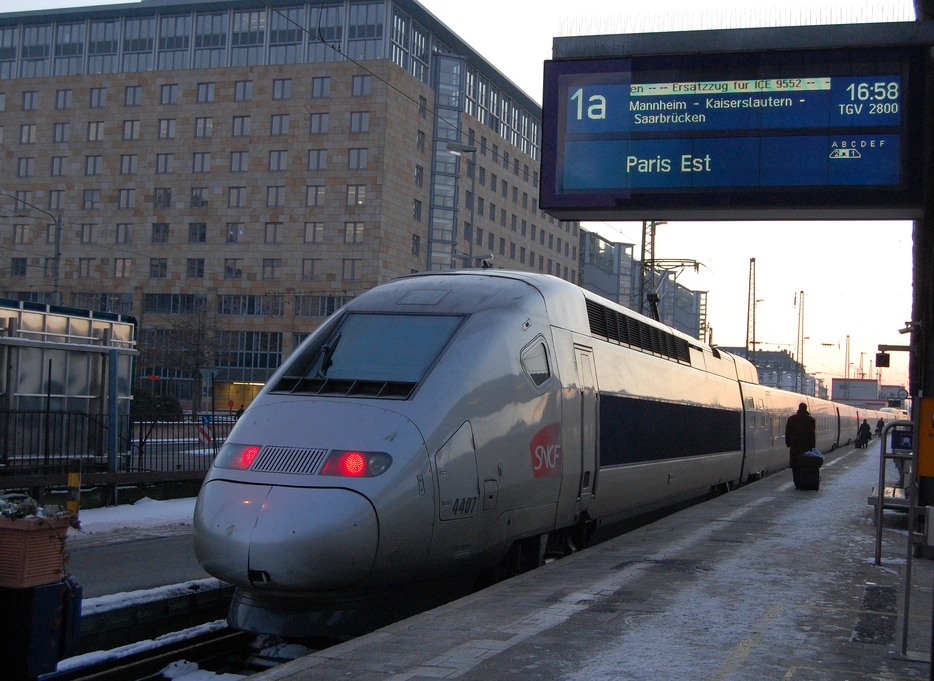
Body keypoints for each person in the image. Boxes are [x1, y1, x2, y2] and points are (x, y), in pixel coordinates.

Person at [785, 402, 816, 490]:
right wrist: (813, 447)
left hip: (794, 447)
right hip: (806, 447)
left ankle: (797, 484)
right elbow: (812, 435)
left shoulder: (791, 419)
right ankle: (804, 482)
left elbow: (787, 433)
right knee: (805, 465)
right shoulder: (810, 420)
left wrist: (788, 443)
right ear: (806, 409)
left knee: (795, 466)